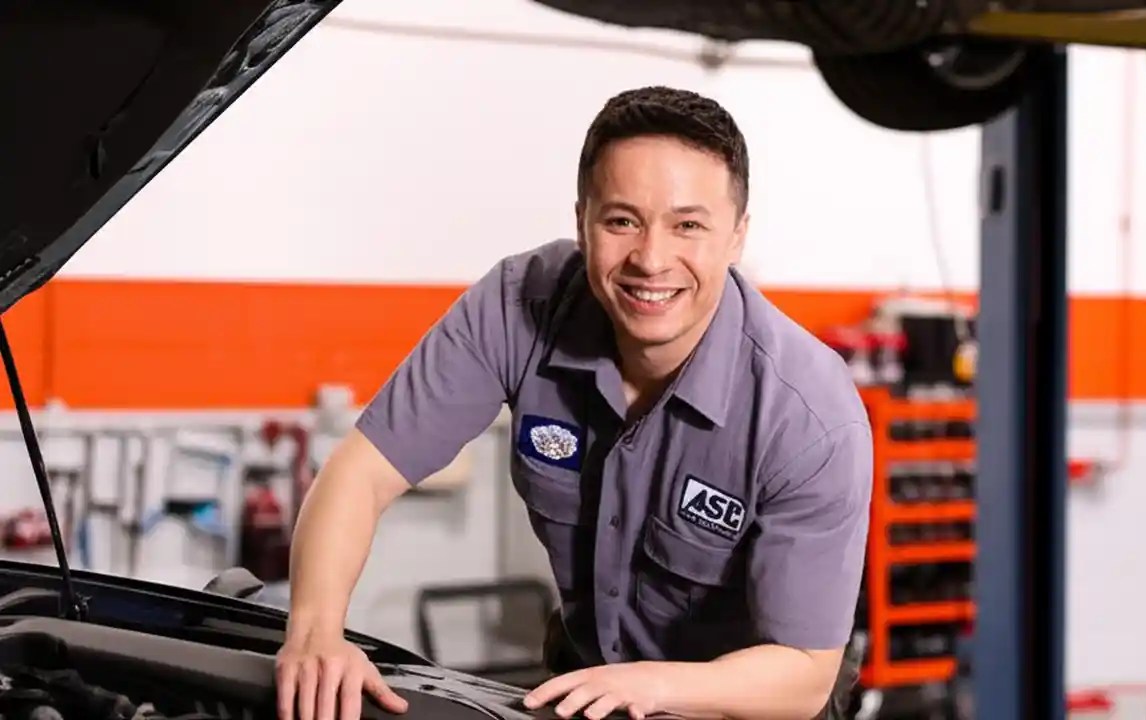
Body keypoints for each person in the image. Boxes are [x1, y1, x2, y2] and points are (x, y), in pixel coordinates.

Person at [274, 85, 873, 720]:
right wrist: (315, 636)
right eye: (622, 221)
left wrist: (652, 688)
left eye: (688, 226)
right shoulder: (517, 306)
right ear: (582, 221)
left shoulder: (808, 416)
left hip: (749, 702)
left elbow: (804, 673)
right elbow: (361, 472)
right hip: (590, 676)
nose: (651, 259)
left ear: (737, 236)